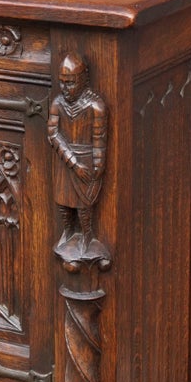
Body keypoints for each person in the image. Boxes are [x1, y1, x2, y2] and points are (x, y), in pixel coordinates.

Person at [47, 53, 109, 271]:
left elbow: (99, 139)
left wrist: (97, 166)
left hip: (87, 161)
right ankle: (68, 231)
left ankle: (86, 235)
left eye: (71, 83)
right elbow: (53, 134)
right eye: (62, 83)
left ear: (84, 79)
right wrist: (73, 162)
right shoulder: (58, 103)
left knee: (85, 203)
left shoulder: (95, 106)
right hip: (67, 162)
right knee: (64, 201)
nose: (65, 89)